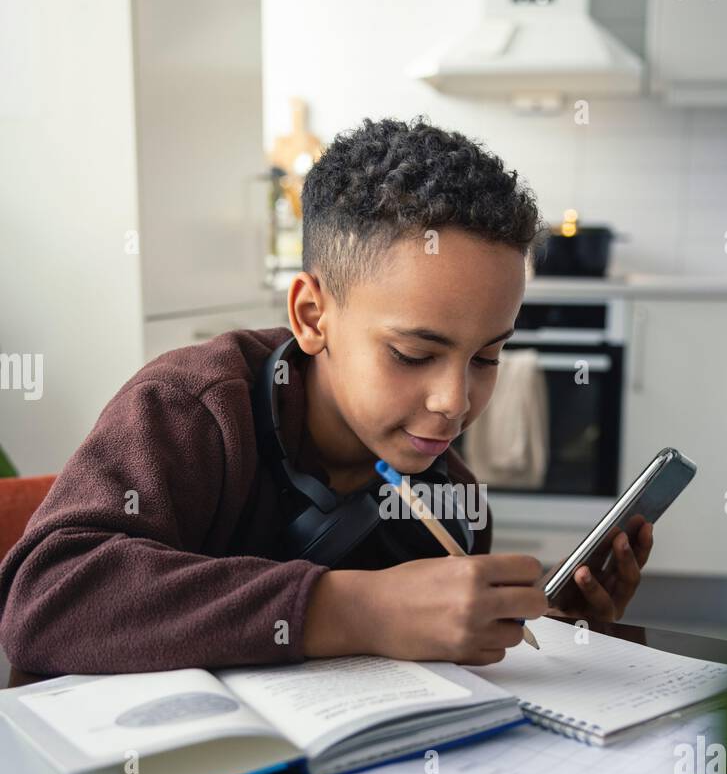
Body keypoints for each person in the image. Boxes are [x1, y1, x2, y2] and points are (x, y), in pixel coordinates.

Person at [0, 116, 651, 676]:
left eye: (486, 356)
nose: (454, 402)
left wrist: (523, 621)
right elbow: (44, 599)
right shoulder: (193, 408)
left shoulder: (448, 499)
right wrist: (353, 608)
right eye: (412, 355)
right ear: (312, 316)